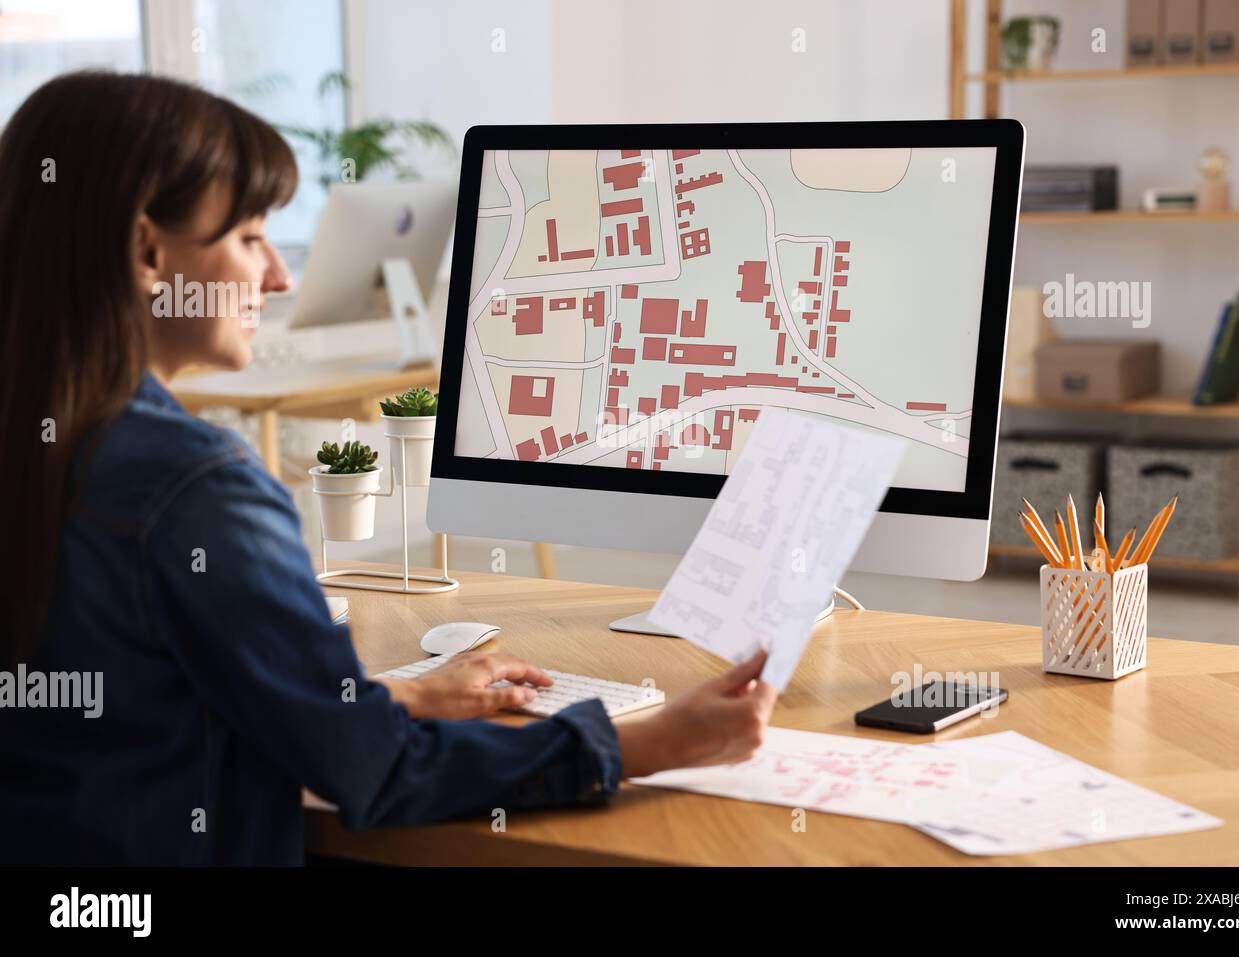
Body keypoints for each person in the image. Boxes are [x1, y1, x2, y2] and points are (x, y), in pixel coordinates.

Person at [0, 72, 776, 865]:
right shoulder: (197, 489)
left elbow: (143, 710)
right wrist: (640, 741)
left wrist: (391, 696)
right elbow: (381, 772)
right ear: (146, 250)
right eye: (248, 235)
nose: (279, 276)